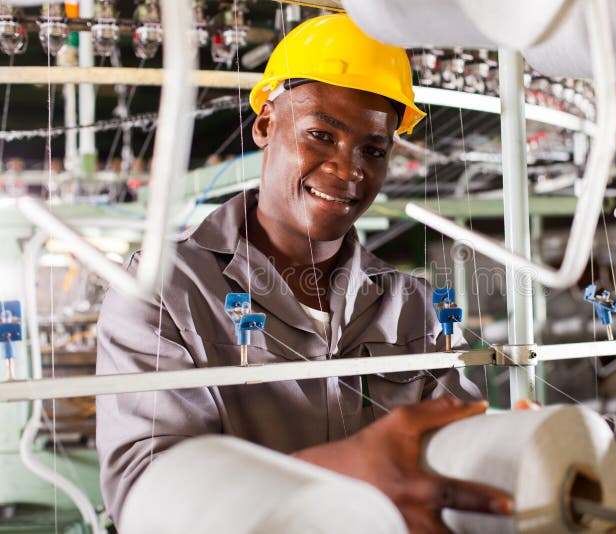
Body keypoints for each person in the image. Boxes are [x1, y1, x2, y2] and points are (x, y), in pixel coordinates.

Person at [96, 14, 512, 531]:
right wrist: (336, 476)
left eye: (373, 150)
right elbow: (145, 493)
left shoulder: (409, 303)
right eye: (321, 134)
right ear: (267, 124)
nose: (348, 168)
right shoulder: (161, 292)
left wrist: (506, 445)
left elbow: (451, 441)